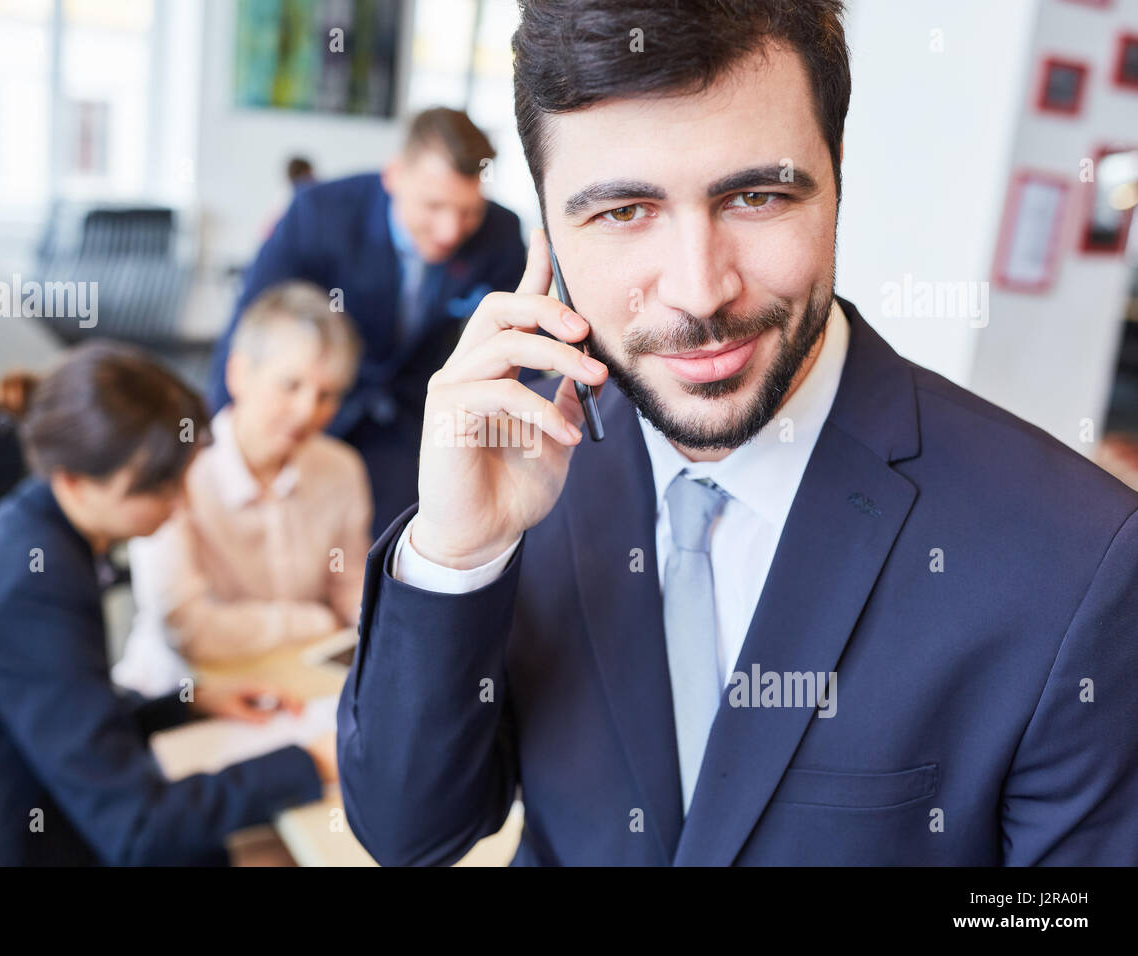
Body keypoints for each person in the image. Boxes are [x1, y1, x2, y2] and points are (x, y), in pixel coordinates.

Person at [337, 0, 1138, 866]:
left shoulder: (1079, 559)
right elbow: (412, 835)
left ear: (838, 178)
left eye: (757, 196)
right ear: (548, 237)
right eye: (623, 212)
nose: (699, 291)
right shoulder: (515, 470)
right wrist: (458, 556)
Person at [0, 341, 335, 866]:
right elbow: (136, 829)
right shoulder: (33, 584)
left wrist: (185, 702)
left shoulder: (34, 534)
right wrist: (308, 763)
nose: (181, 505)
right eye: (159, 488)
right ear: (75, 482)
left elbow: (66, 707)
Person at [206, 107, 528, 539]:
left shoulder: (501, 235)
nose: (451, 231)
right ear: (394, 175)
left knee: (406, 538)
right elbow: (249, 327)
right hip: (321, 403)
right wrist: (218, 443)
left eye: (467, 212)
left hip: (412, 418)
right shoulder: (319, 213)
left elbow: (516, 340)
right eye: (433, 206)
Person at [114, 281, 372, 696]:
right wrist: (316, 620)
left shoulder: (341, 468)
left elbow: (349, 583)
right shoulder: (179, 470)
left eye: (328, 395)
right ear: (239, 374)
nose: (309, 411)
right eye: (290, 386)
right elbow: (190, 632)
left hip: (293, 683)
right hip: (180, 692)